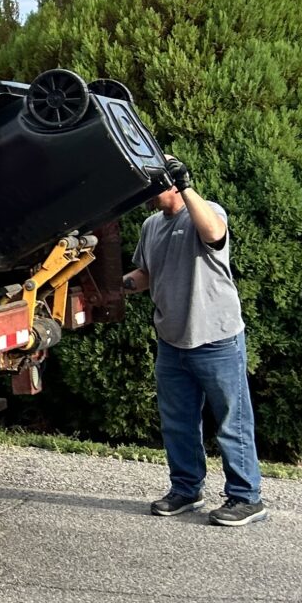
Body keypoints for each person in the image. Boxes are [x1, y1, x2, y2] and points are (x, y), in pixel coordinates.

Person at [121, 155, 266, 526]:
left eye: (152, 180)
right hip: (172, 341)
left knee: (232, 421)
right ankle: (186, 489)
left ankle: (246, 498)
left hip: (216, 339)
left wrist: (185, 186)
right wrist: (117, 285)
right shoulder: (151, 225)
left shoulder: (205, 211)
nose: (144, 189)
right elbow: (147, 273)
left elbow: (215, 233)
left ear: (169, 182)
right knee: (178, 422)